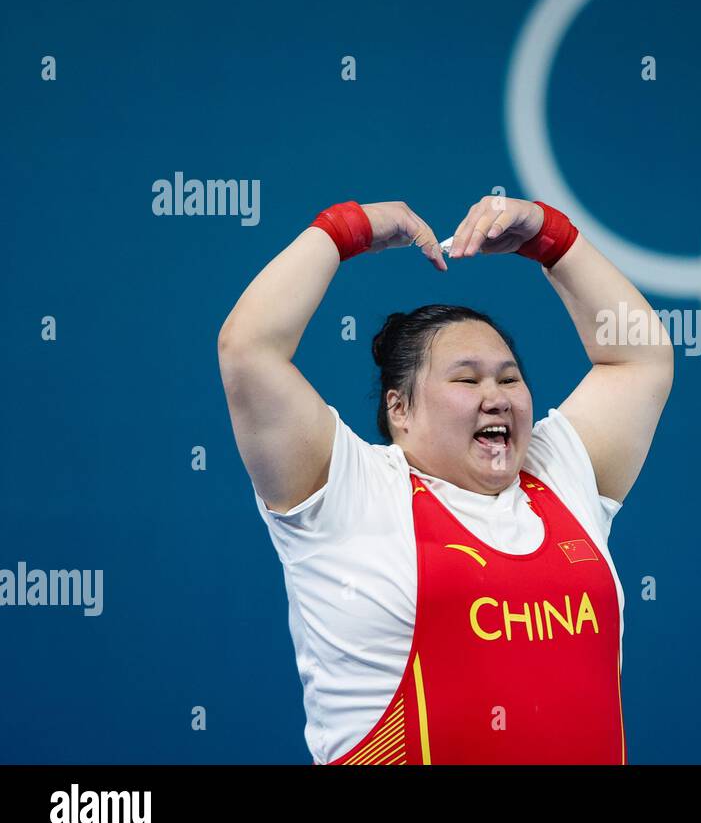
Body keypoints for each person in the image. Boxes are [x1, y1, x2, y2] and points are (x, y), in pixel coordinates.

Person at [217, 196, 673, 764]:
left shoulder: (559, 473)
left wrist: (551, 238)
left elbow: (641, 356)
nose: (496, 398)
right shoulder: (348, 493)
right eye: (467, 378)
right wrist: (342, 230)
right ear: (400, 409)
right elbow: (249, 350)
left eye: (510, 378)